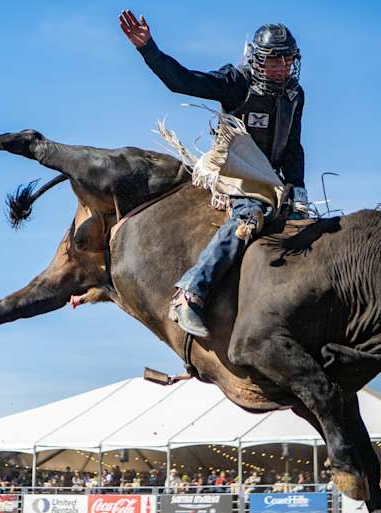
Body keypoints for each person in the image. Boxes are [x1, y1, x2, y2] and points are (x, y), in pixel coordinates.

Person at [120, 10, 307, 336]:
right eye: (274, 62)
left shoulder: (294, 94)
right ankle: (190, 293)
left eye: (287, 61)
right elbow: (183, 81)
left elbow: (292, 146)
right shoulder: (236, 83)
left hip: (269, 182)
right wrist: (148, 48)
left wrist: (298, 190)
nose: (282, 68)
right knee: (249, 217)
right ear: (257, 60)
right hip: (234, 174)